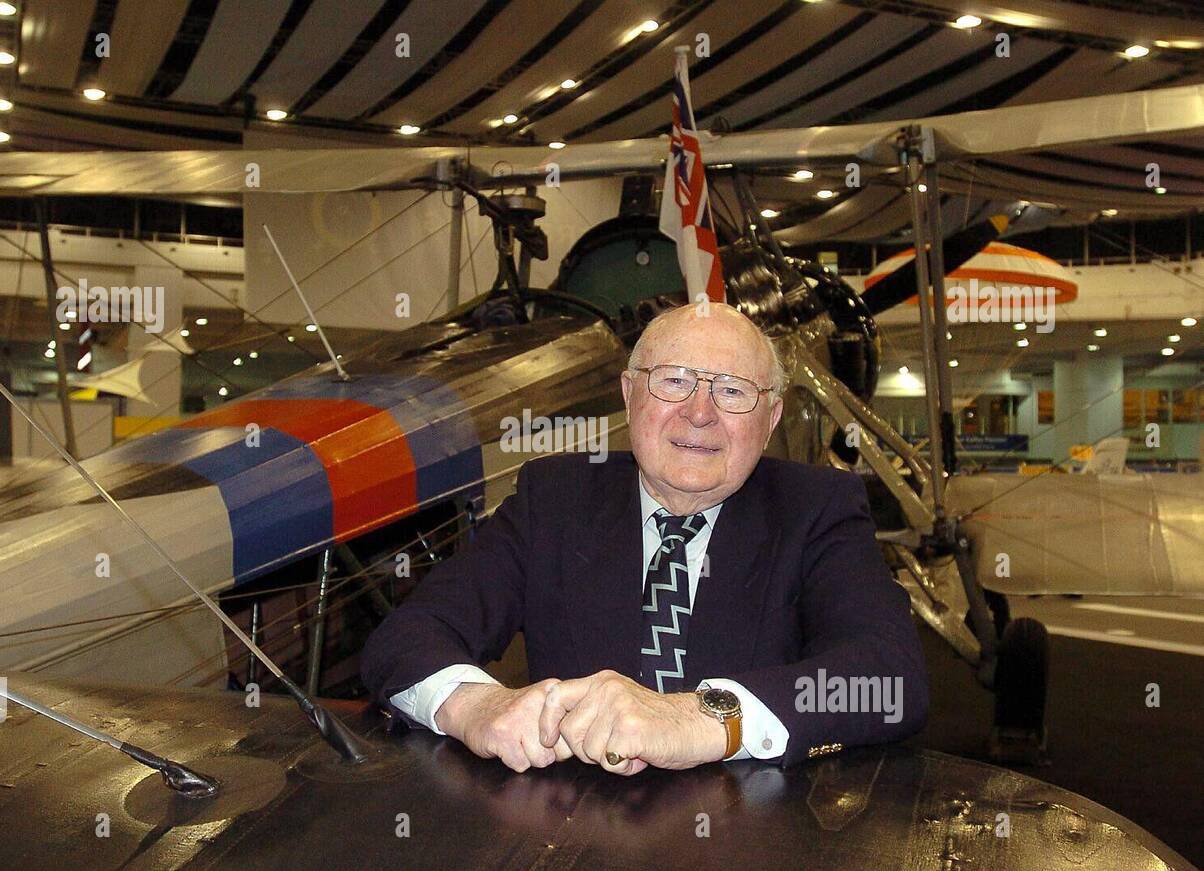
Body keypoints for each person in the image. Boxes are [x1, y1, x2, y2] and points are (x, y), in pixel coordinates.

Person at [361, 302, 928, 775]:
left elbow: (888, 678)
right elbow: (408, 635)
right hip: (572, 838)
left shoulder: (817, 508)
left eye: (733, 391)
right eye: (675, 381)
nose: (699, 413)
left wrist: (704, 719)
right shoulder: (553, 499)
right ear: (630, 395)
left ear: (772, 418)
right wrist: (476, 705)